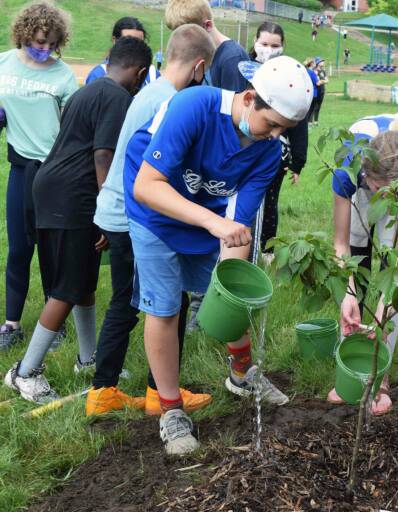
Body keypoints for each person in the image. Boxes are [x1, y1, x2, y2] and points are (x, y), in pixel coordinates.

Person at [123, 56, 312, 455]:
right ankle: (171, 411)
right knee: (165, 308)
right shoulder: (195, 106)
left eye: (285, 130)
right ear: (249, 99)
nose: (275, 135)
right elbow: (147, 185)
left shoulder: (265, 153)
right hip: (155, 212)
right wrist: (213, 224)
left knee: (229, 290)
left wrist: (228, 285)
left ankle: (242, 374)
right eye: (272, 123)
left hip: (205, 218)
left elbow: (238, 227)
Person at [4, 37, 152, 404]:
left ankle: (88, 359)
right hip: (73, 196)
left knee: (83, 279)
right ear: (142, 73)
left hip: (50, 188)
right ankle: (25, 372)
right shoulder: (118, 97)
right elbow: (103, 155)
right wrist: (105, 211)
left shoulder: (91, 89)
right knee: (68, 287)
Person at [86, 25, 216, 416]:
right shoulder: (171, 101)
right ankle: (146, 393)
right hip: (132, 215)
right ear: (199, 66)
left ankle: (117, 390)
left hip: (119, 210)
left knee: (140, 302)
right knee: (156, 303)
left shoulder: (154, 92)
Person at [328, 113, 398, 416]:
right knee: (358, 256)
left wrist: (384, 308)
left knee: (391, 273)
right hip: (360, 186)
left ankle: (381, 378)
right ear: (367, 176)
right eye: (379, 189)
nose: (384, 198)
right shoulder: (347, 171)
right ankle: (350, 373)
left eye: (391, 192)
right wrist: (348, 292)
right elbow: (341, 245)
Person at [164, 0, 253, 331]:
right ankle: (201, 307)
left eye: (186, 32)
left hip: (227, 171)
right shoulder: (209, 61)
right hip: (204, 169)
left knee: (225, 237)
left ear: (206, 25)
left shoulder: (231, 60)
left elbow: (237, 122)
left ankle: (217, 315)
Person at [0, 3, 78, 350]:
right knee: (18, 248)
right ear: (24, 34)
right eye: (39, 41)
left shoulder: (62, 76)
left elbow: (73, 127)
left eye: (51, 43)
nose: (44, 49)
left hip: (53, 172)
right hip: (20, 168)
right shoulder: (4, 63)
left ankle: (54, 324)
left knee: (51, 250)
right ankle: (11, 324)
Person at [248, 22, 309, 262]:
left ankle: (266, 249)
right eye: (264, 44)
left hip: (276, 152)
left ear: (282, 47)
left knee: (270, 200)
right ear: (255, 42)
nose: (269, 49)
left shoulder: (290, 74)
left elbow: (299, 120)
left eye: (275, 45)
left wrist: (298, 162)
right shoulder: (243, 68)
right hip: (246, 144)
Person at [165, 0, 250, 93]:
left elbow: (233, 106)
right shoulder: (195, 55)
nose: (183, 41)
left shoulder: (232, 58)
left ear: (208, 25)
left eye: (188, 34)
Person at [86, 17, 160, 88]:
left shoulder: (152, 74)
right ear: (115, 41)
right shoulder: (98, 75)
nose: (135, 48)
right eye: (128, 42)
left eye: (140, 43)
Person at [311, 58, 328, 124]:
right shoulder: (314, 71)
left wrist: (322, 81)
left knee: (318, 106)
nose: (323, 62)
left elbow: (327, 80)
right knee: (313, 106)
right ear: (317, 63)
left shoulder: (323, 71)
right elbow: (317, 82)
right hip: (316, 90)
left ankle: (316, 121)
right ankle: (310, 121)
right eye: (321, 61)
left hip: (322, 90)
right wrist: (323, 81)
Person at [304, 58, 320, 126]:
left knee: (307, 109)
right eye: (313, 63)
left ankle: (307, 122)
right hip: (313, 93)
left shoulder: (305, 71)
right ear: (311, 64)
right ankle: (309, 123)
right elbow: (317, 83)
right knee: (311, 109)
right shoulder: (312, 72)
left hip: (306, 93)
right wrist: (323, 81)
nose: (315, 64)